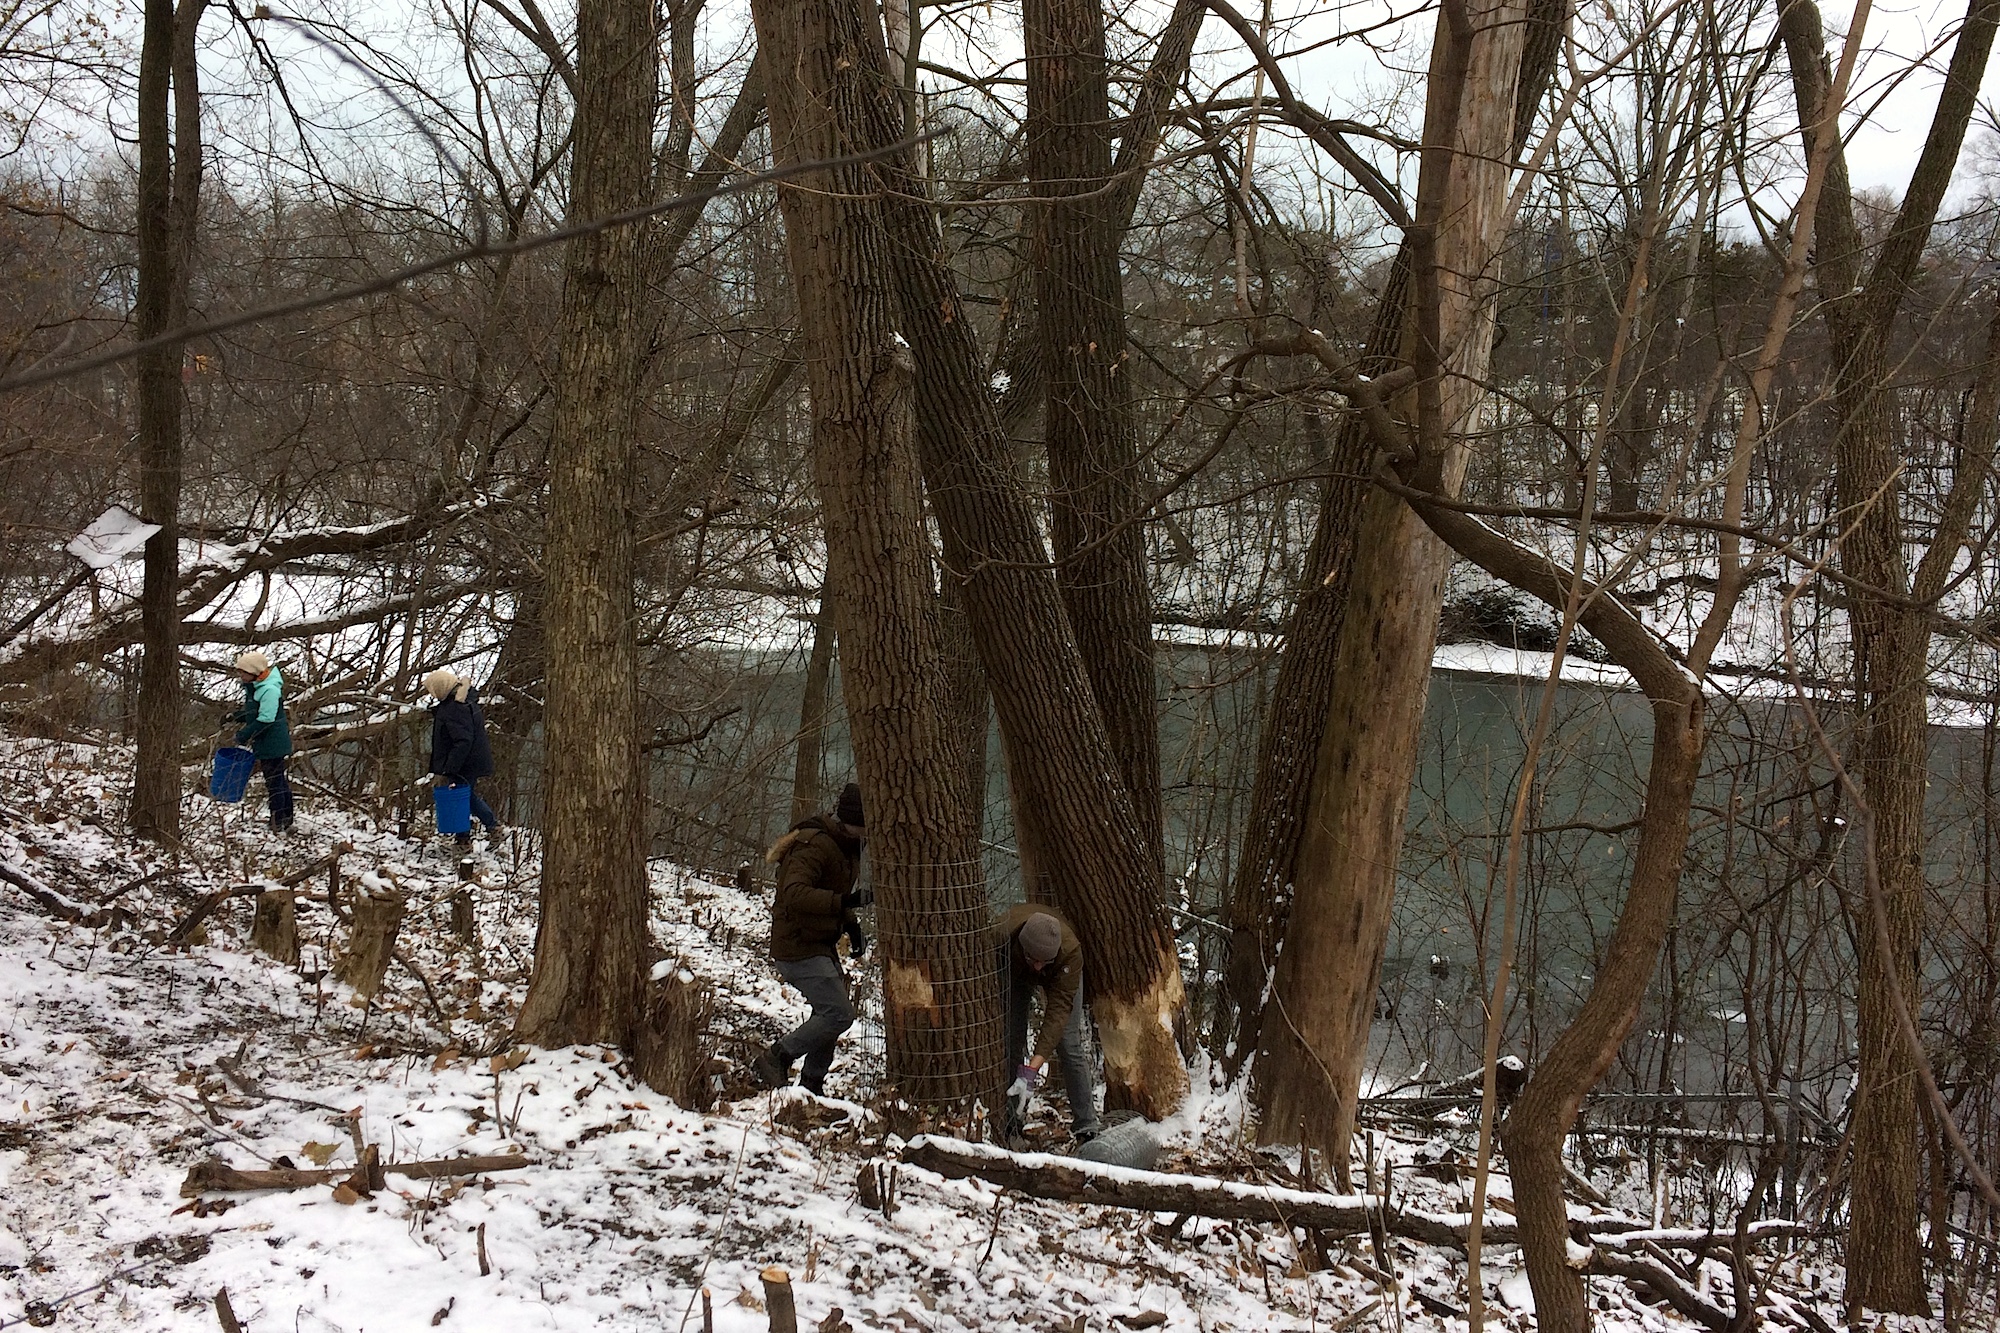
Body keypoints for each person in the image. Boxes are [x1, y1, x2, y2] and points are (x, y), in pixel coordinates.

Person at [754, 782, 870, 1095]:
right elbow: (794, 894)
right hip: (797, 946)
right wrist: (846, 903)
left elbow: (835, 892)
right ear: (854, 821)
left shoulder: (848, 845)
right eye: (867, 825)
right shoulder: (814, 845)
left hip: (818, 943)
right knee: (839, 1014)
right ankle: (777, 1056)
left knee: (828, 1013)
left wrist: (850, 924)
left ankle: (812, 1084)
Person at [997, 903, 1101, 1144]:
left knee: (1068, 1042)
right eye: (1034, 960)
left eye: (1043, 962)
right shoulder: (1001, 937)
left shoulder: (1070, 952)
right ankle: (1010, 1119)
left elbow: (1057, 1015)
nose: (1037, 967)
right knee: (1011, 1035)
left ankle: (1087, 1125)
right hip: (1014, 967)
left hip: (1059, 971)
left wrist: (1032, 1069)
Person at [423, 668, 501, 848]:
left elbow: (463, 739)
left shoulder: (456, 708)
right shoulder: (461, 701)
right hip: (469, 761)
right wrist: (438, 713)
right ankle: (470, 836)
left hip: (464, 763)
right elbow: (456, 723)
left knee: (463, 797)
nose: (433, 695)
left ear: (441, 688)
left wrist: (450, 766)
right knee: (464, 796)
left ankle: (483, 831)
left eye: (433, 691)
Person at [228, 649, 294, 833]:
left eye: (243, 671)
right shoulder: (257, 688)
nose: (240, 675)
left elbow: (265, 719)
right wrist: (235, 716)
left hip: (273, 743)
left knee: (275, 782)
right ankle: (285, 817)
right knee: (278, 780)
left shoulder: (269, 690)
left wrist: (243, 735)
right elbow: (253, 713)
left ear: (254, 672)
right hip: (267, 743)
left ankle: (279, 820)